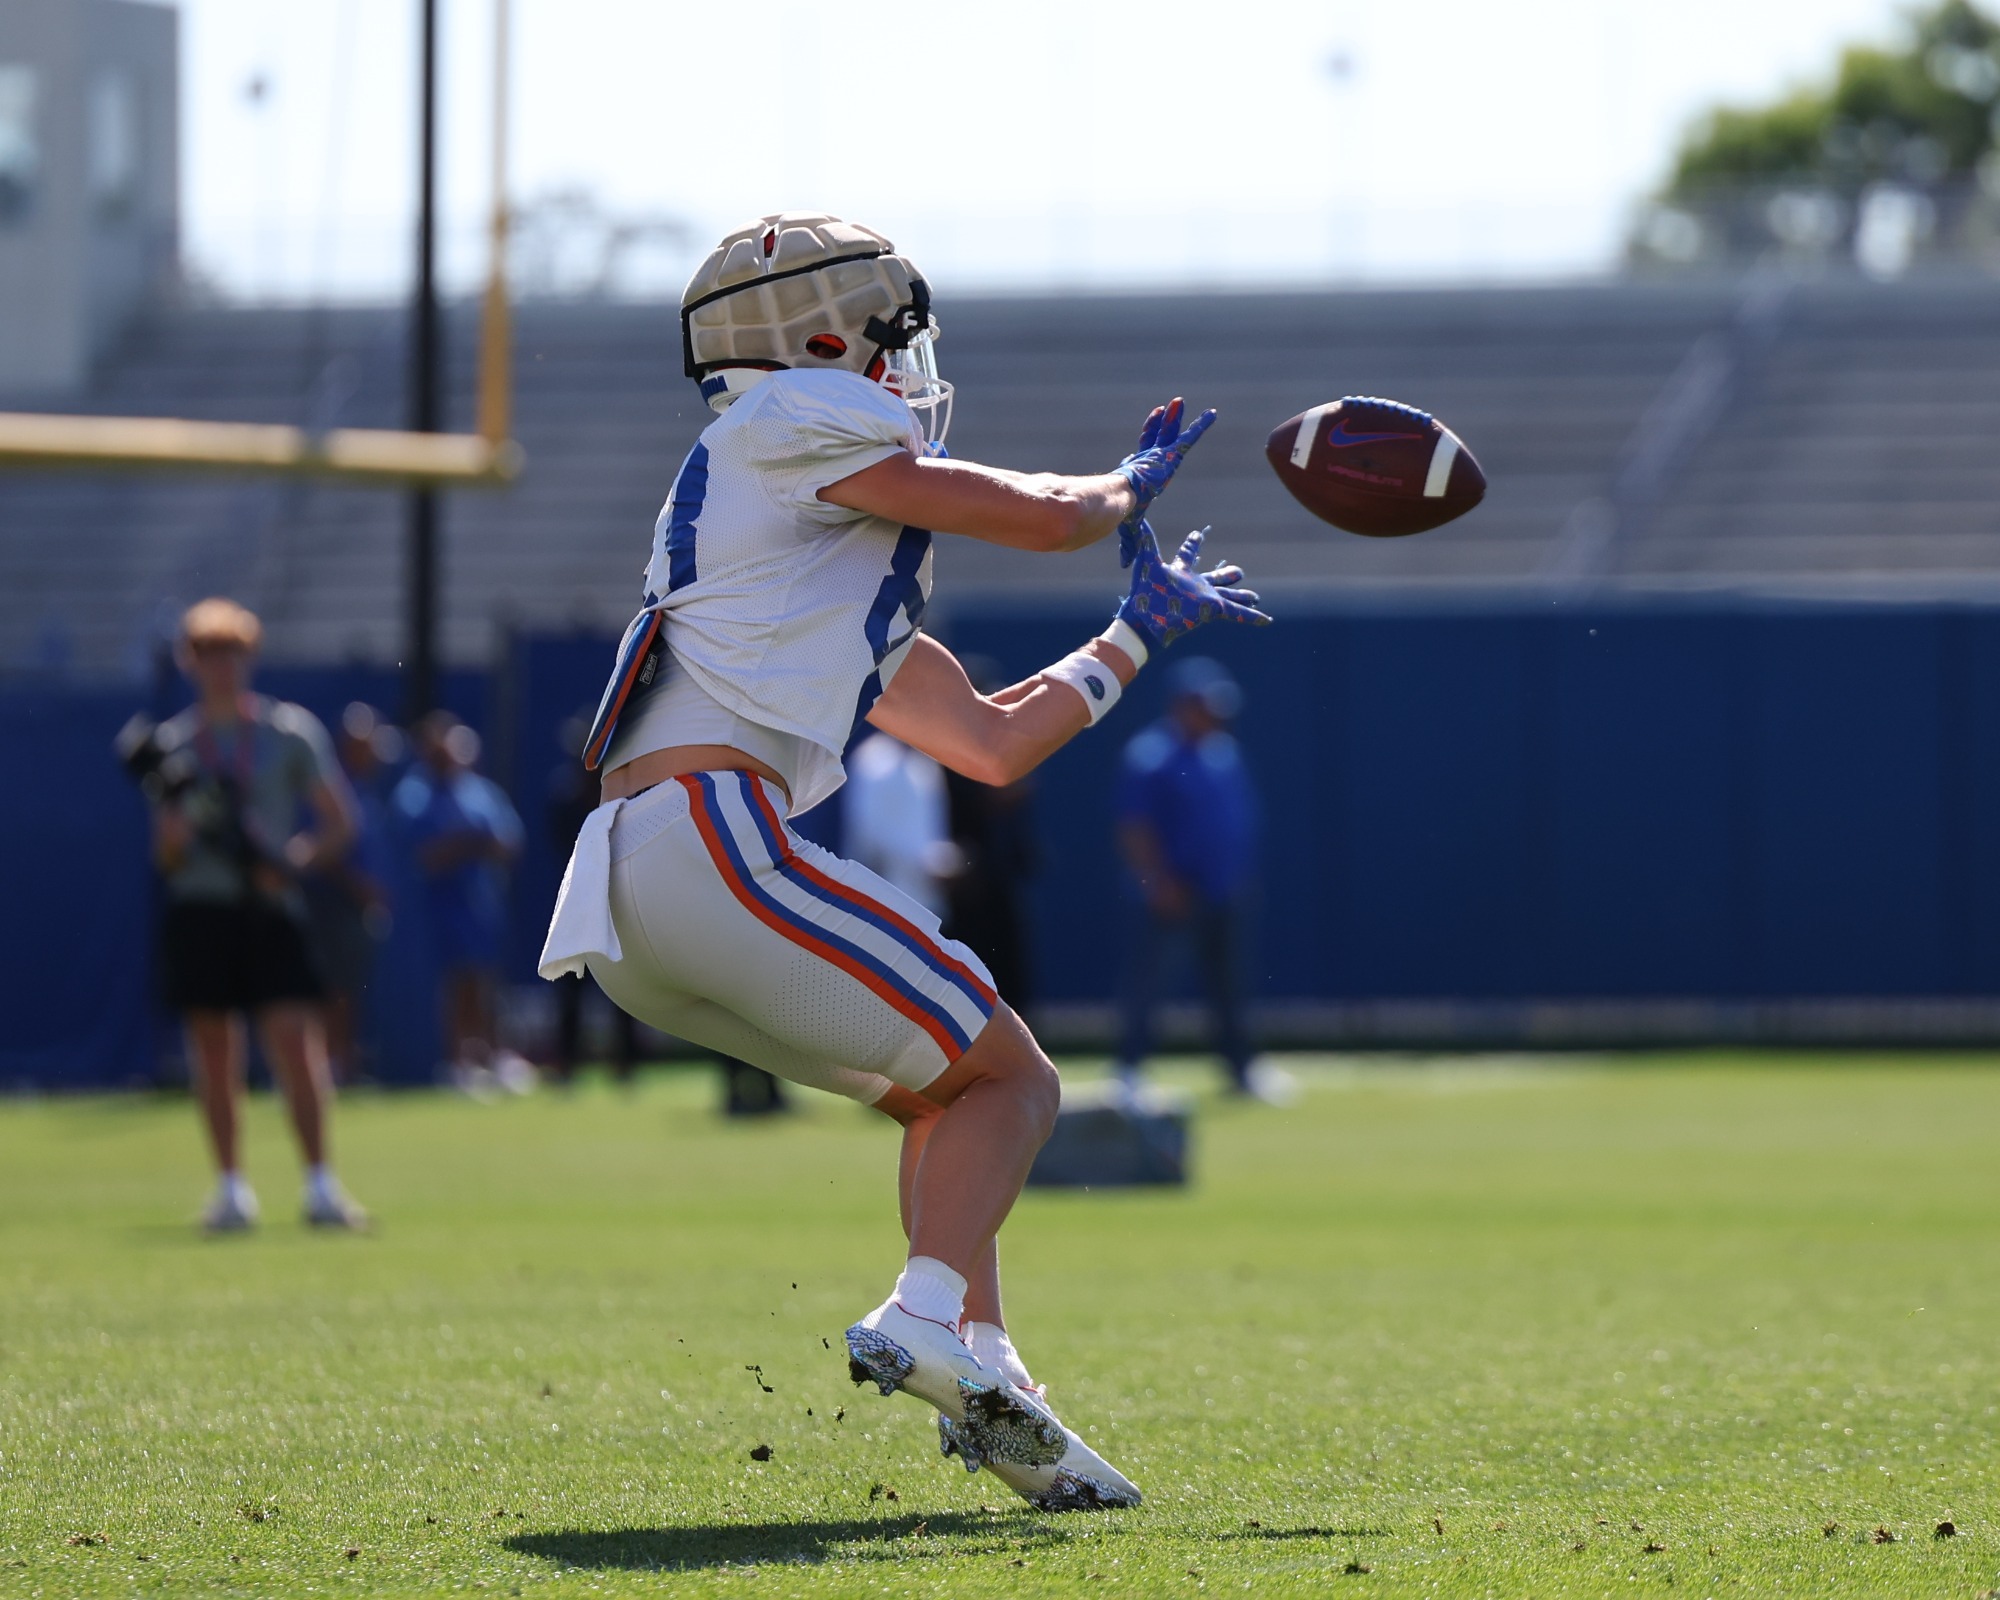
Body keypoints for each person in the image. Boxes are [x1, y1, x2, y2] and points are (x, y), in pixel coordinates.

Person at [538, 212, 1268, 1512]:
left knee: (947, 1098)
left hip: (633, 896)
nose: (902, 371)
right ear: (828, 345)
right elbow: (1041, 519)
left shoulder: (804, 573)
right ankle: (927, 1314)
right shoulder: (789, 413)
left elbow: (989, 743)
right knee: (1017, 1081)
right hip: (710, 838)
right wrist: (1118, 491)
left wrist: (1132, 637)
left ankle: (985, 1359)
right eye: (887, 343)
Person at [139, 598, 369, 1232]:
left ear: (250, 658)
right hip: (202, 909)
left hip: (269, 908)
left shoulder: (287, 732)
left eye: (232, 653)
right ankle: (231, 1190)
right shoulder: (174, 747)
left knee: (296, 1042)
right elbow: (164, 855)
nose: (222, 666)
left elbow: (339, 822)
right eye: (208, 654)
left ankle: (321, 1187)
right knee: (214, 1051)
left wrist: (291, 861)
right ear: (191, 663)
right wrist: (177, 838)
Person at [1112, 657, 1291, 1104]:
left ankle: (1240, 1070)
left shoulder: (1223, 752)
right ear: (1182, 705)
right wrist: (1157, 882)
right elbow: (1135, 827)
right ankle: (1128, 1071)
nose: (1213, 716)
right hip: (1175, 891)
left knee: (1230, 987)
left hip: (1225, 890)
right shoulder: (1152, 754)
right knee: (1151, 984)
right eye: (1204, 707)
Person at [395, 712, 529, 1094]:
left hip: (481, 906)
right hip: (432, 911)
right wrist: (468, 844)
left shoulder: (481, 791)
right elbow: (421, 855)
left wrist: (473, 845)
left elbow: (509, 843)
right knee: (452, 986)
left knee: (485, 982)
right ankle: (456, 1063)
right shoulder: (413, 793)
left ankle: (492, 1058)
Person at [302, 702, 398, 1084]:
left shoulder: (367, 791)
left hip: (356, 907)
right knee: (332, 987)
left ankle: (342, 1061)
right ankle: (326, 1064)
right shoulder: (330, 786)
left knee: (348, 987)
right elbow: (319, 849)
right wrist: (358, 887)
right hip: (332, 905)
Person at [546, 711, 642, 1085]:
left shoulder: (624, 794)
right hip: (581, 901)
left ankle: (626, 1064)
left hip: (617, 902)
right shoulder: (566, 796)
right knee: (572, 987)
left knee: (624, 986)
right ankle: (566, 1064)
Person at [845, 730, 954, 917]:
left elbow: (933, 833)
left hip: (926, 901)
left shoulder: (927, 764)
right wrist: (920, 861)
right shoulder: (871, 759)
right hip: (882, 896)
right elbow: (866, 835)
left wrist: (942, 860)